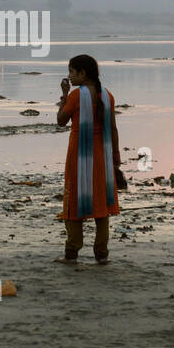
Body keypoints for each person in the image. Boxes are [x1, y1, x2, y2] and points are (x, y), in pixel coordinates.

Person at [55, 54, 121, 264]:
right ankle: (101, 254)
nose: (69, 76)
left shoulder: (75, 96)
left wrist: (64, 94)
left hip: (79, 156)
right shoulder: (107, 95)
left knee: (74, 201)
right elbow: (112, 128)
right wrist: (116, 158)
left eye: (72, 72)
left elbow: (60, 121)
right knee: (101, 204)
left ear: (83, 73)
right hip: (102, 156)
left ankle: (72, 252)